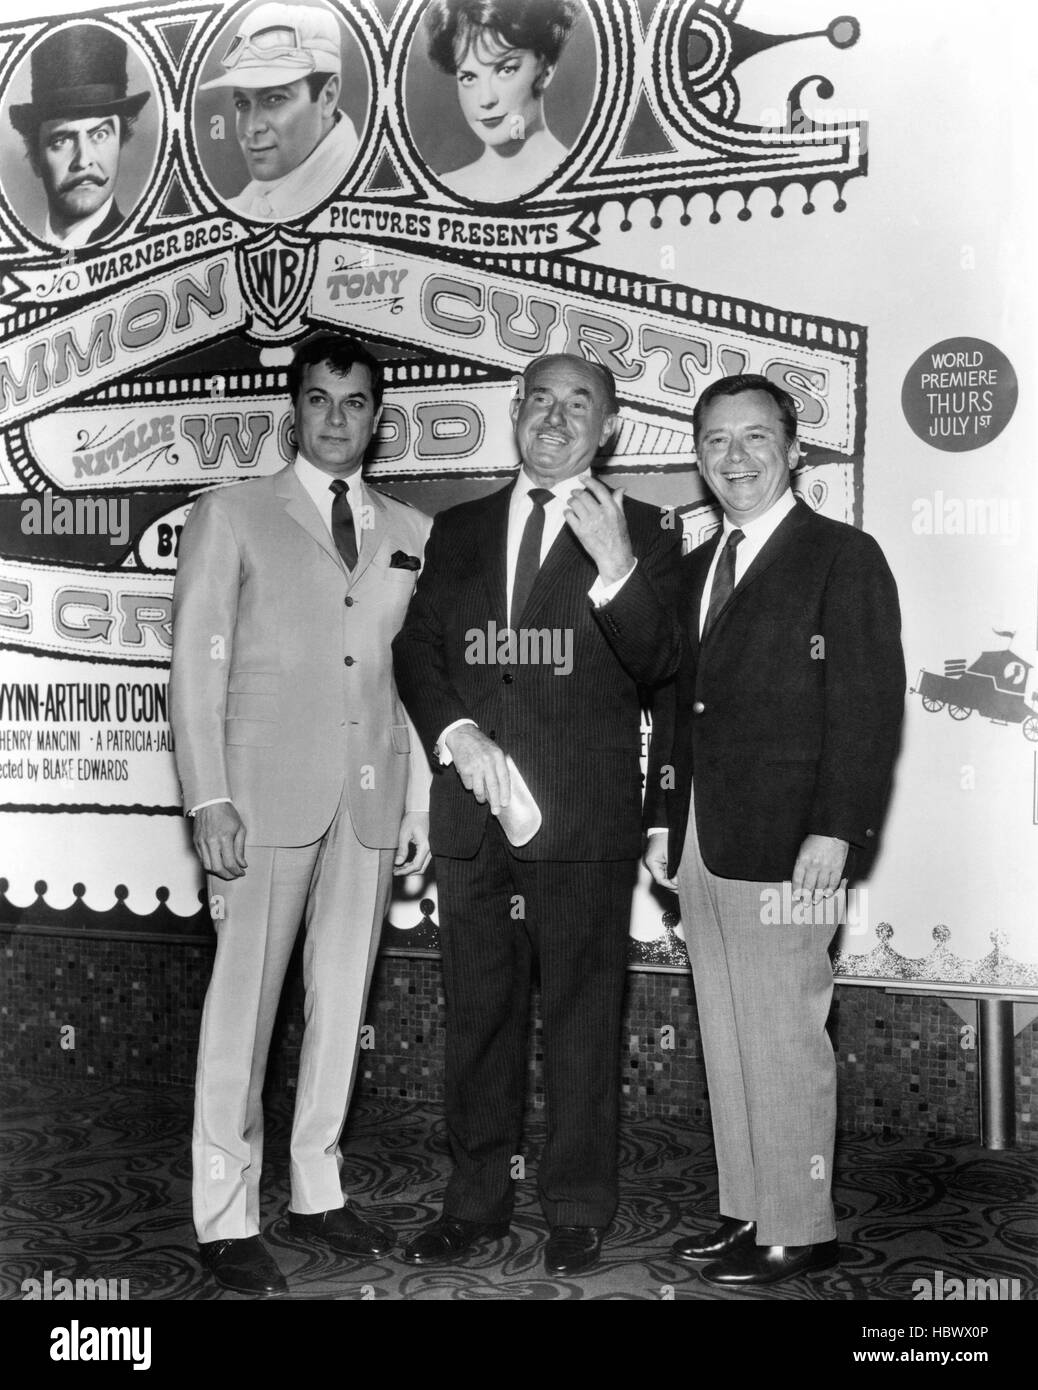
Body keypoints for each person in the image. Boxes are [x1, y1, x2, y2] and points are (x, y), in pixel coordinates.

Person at [392, 352, 683, 1275]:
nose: (556, 421)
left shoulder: (649, 530)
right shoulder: (462, 527)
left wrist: (616, 572)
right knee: (479, 1018)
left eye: (580, 407)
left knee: (585, 1020)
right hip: (473, 821)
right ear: (514, 412)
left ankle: (578, 1207)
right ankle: (474, 1202)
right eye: (541, 403)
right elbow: (416, 650)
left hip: (583, 819)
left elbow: (661, 666)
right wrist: (457, 733)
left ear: (611, 430)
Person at [169, 334, 432, 1296]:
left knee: (340, 1008)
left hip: (368, 802)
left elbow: (413, 678)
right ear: (293, 409)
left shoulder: (411, 528)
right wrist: (209, 796)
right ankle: (224, 1211)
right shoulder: (232, 514)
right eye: (318, 400)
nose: (335, 418)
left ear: (377, 418)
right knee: (241, 1013)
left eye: (354, 403)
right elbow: (194, 669)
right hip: (257, 798)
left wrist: (420, 808)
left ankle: (318, 1189)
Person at [643, 374, 905, 1287]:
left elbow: (867, 709)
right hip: (702, 840)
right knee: (727, 1031)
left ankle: (803, 1223)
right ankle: (748, 1210)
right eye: (716, 441)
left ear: (794, 452)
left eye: (756, 438)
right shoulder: (694, 567)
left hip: (792, 842)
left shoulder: (843, 555)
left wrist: (835, 831)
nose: (736, 457)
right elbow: (679, 710)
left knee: (786, 1035)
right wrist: (659, 819)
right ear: (698, 454)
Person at [200, 3, 358, 221]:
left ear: (328, 96)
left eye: (274, 99)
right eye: (242, 104)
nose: (251, 128)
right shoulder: (243, 206)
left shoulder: (362, 201)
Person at [9, 25, 150, 248]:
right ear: (36, 158)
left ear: (120, 142)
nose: (83, 161)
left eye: (100, 135)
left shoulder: (142, 249)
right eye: (61, 141)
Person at [424, 0, 577, 203]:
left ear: (546, 70)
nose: (486, 99)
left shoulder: (583, 184)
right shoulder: (442, 192)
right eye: (469, 77)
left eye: (506, 70)